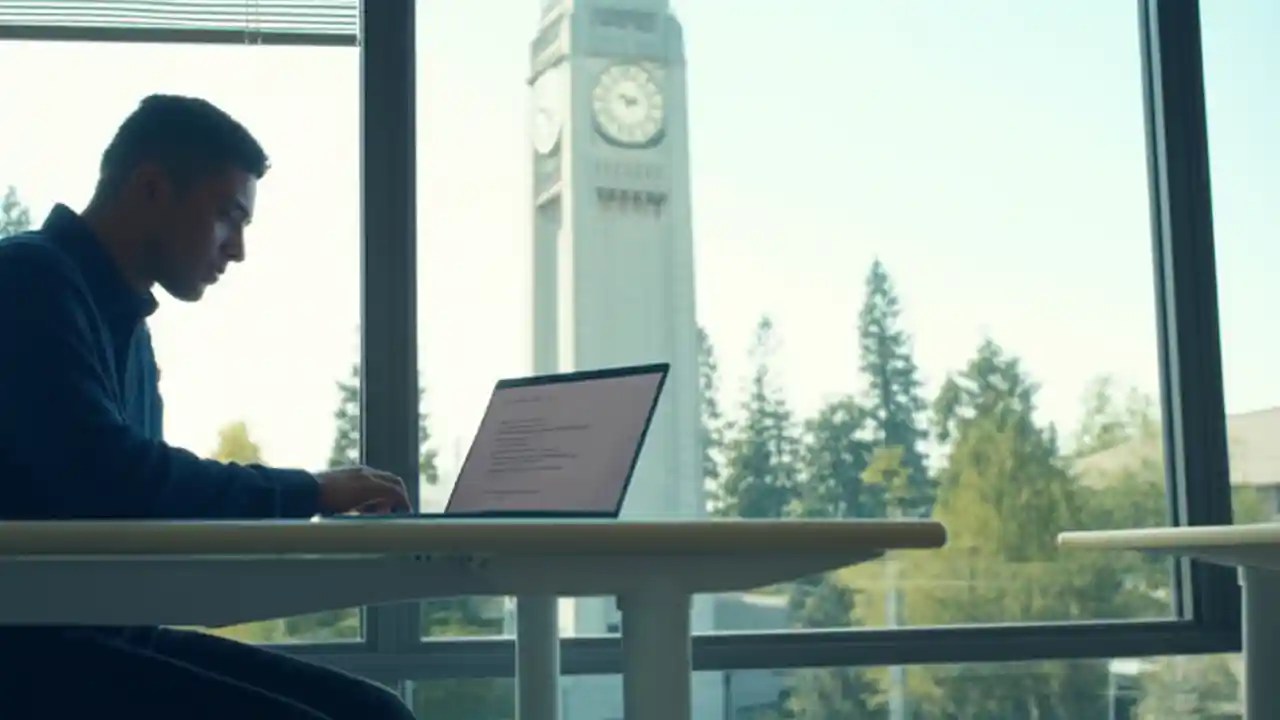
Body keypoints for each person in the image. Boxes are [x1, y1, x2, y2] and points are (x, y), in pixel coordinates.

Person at [0, 95, 417, 719]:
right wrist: (310, 491)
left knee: (377, 714)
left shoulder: (124, 326)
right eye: (227, 216)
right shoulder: (26, 280)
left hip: (93, 638)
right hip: (30, 650)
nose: (237, 248)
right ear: (150, 187)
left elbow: (139, 501)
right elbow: (114, 476)